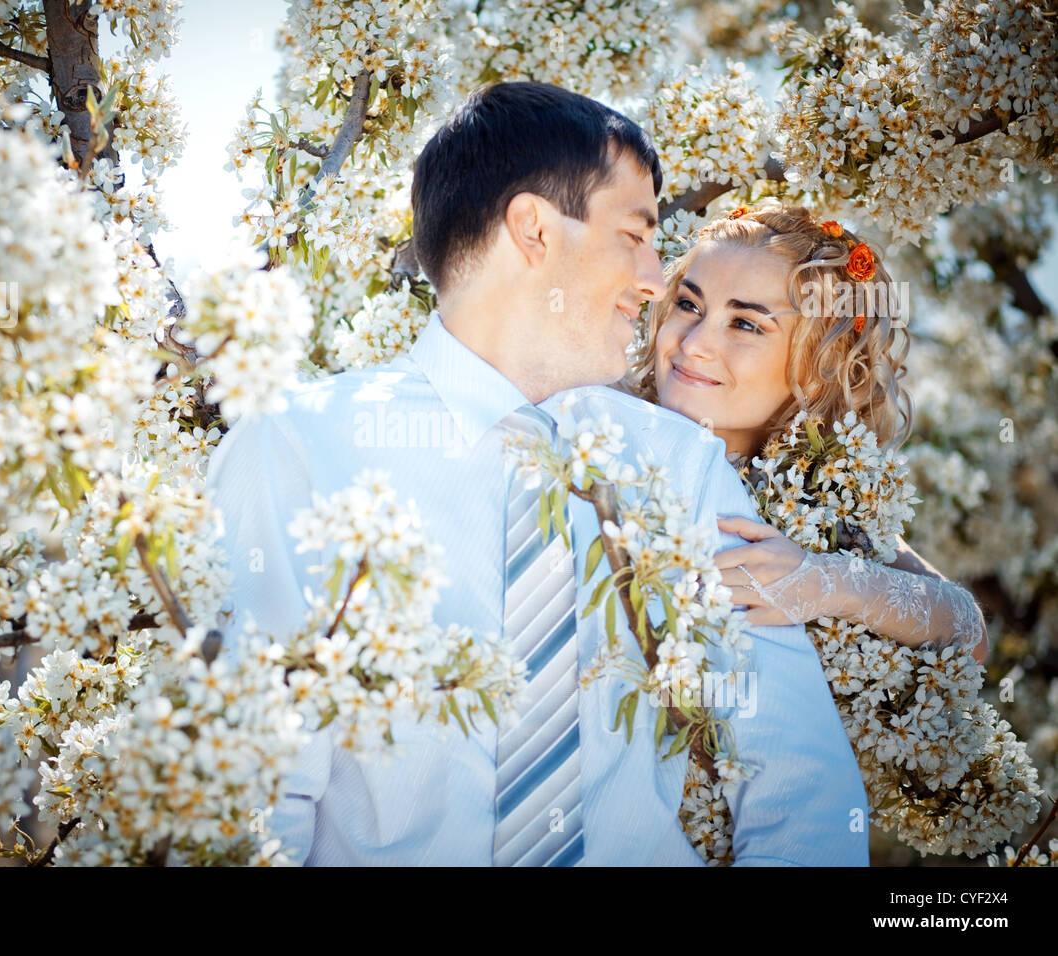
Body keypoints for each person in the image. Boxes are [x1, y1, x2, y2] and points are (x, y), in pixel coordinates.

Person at [205, 81, 869, 865]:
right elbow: (248, 802)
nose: (656, 281)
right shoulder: (299, 447)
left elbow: (803, 788)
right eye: (636, 235)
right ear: (533, 231)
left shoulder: (678, 465)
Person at [628, 203, 990, 664]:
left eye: (745, 324)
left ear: (818, 369)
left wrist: (823, 581)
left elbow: (968, 631)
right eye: (688, 304)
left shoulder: (821, 505)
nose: (694, 343)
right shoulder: (596, 413)